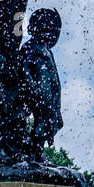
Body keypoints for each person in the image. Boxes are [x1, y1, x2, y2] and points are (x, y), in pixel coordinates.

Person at [19, 8, 63, 161]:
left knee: (52, 123)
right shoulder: (32, 46)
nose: (53, 35)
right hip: (39, 94)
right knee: (42, 123)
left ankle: (36, 152)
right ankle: (34, 152)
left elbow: (54, 76)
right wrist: (31, 85)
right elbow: (23, 66)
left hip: (50, 96)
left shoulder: (46, 50)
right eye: (50, 29)